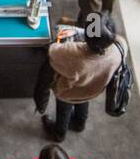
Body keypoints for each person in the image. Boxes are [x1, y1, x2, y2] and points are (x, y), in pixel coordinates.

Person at [34, 13, 126, 141]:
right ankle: (79, 124)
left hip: (69, 93)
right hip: (94, 89)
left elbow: (53, 50)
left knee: (64, 112)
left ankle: (59, 134)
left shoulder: (72, 55)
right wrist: (79, 32)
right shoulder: (120, 46)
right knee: (83, 104)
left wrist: (69, 34)